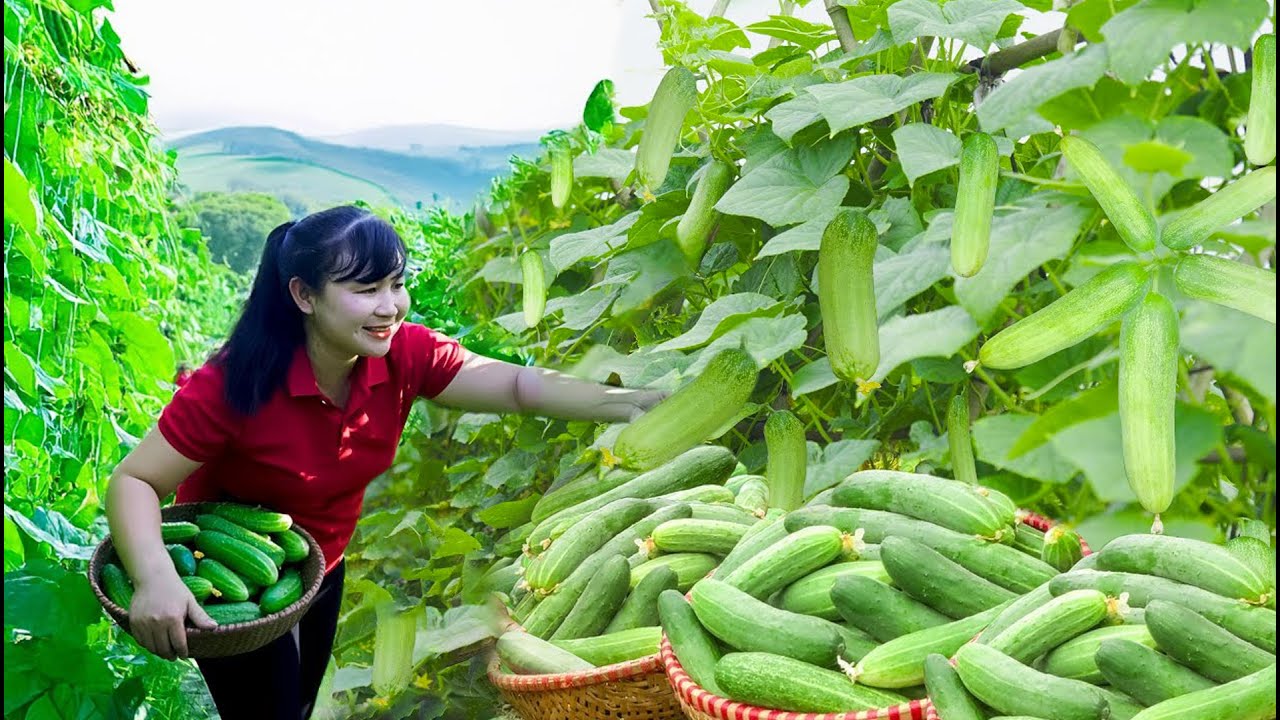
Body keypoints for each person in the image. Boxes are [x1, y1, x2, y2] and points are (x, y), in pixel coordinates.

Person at [104, 205, 667, 719]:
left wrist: (630, 404)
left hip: (320, 563)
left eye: (397, 285)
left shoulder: (405, 354)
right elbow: (135, 479)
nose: (388, 306)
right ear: (304, 295)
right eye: (366, 288)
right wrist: (156, 577)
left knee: (298, 702)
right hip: (236, 578)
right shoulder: (235, 384)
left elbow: (518, 386)